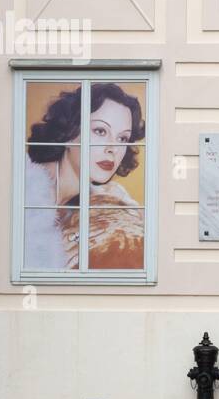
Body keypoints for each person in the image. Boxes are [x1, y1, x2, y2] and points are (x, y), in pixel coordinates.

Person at [25, 82, 145, 271]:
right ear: (69, 130)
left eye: (122, 138)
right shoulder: (25, 188)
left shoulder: (107, 201)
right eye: (100, 131)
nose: (112, 148)